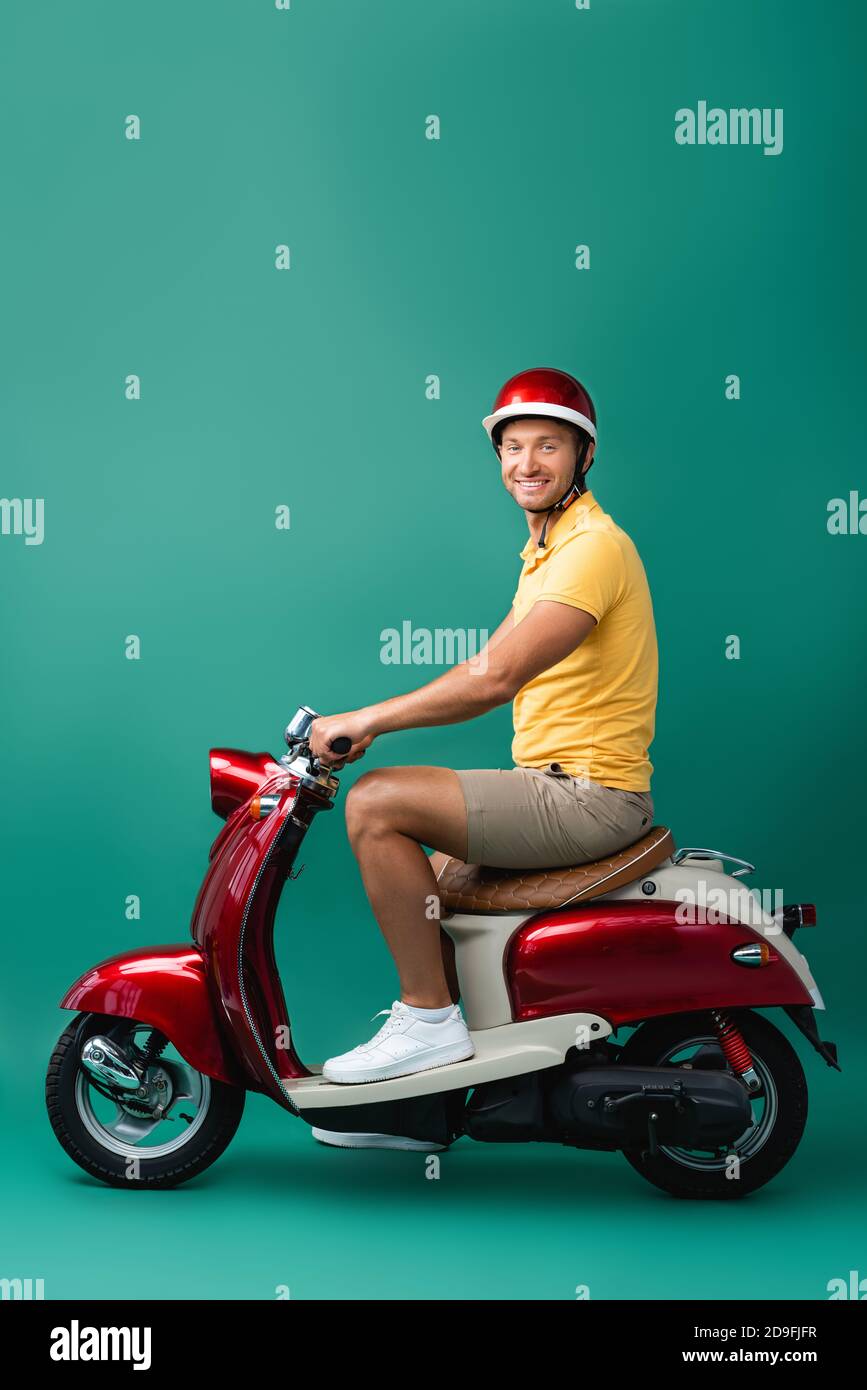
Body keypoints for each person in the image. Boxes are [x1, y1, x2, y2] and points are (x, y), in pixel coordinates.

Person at [307, 367, 659, 1107]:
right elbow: (487, 667)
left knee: (375, 806)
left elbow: (493, 677)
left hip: (586, 794)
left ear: (583, 458)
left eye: (549, 447)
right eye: (513, 448)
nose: (527, 465)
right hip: (563, 784)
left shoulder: (593, 548)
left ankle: (429, 1021)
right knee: (429, 877)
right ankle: (430, 1087)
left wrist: (363, 720)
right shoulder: (548, 552)